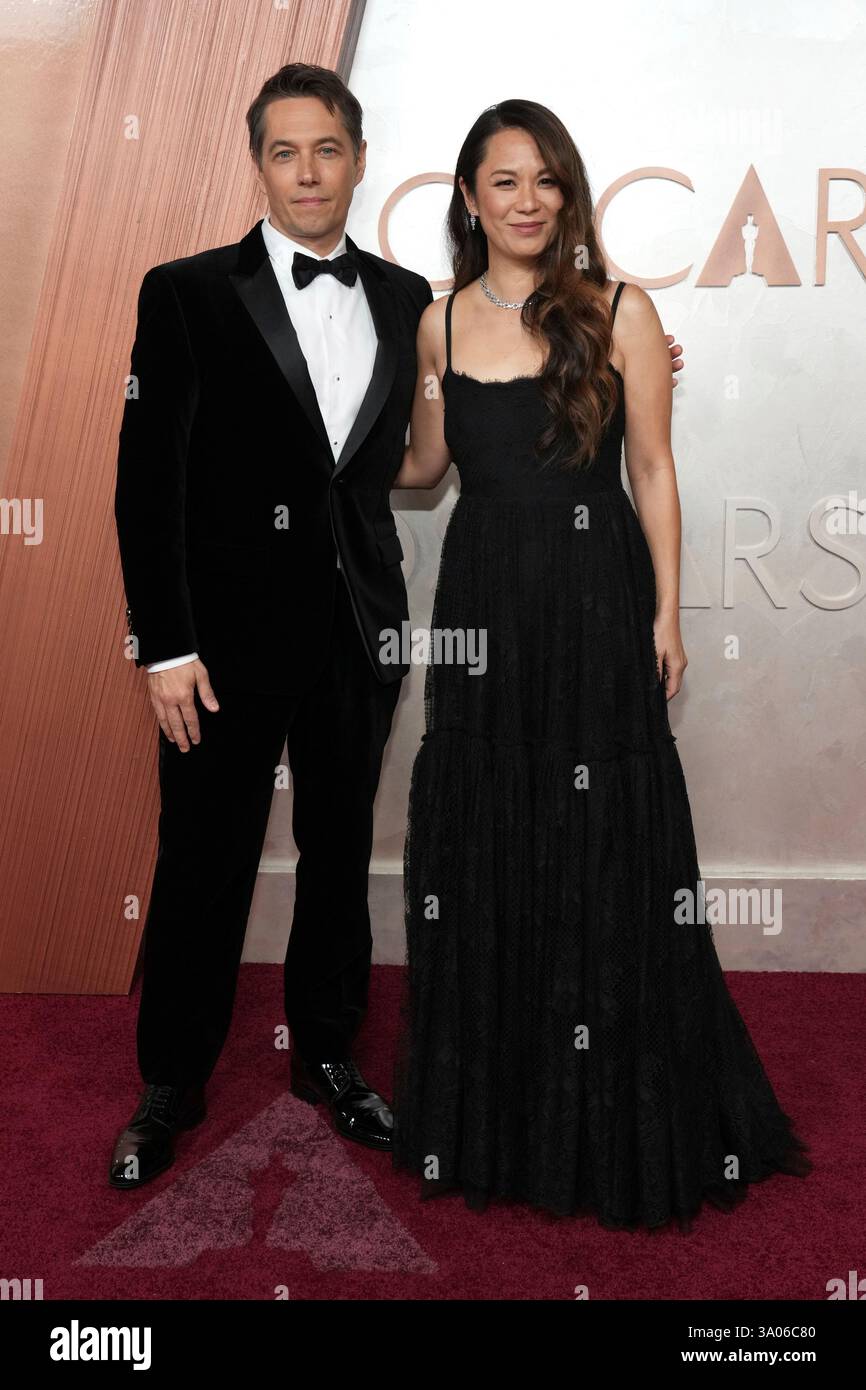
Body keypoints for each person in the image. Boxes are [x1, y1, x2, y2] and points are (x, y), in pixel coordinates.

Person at [111, 66, 683, 1191]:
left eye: (329, 149)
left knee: (338, 856)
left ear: (360, 160)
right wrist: (163, 643)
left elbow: (402, 467)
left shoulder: (398, 300)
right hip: (220, 646)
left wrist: (619, 386)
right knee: (204, 859)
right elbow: (146, 483)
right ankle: (169, 1084)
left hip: (356, 628)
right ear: (259, 164)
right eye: (286, 151)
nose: (310, 171)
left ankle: (326, 1056)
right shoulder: (182, 293)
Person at [390, 99, 811, 1231]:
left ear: (567, 198)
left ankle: (614, 1113)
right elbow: (423, 470)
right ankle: (507, 1114)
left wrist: (667, 611)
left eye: (546, 182)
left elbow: (654, 471)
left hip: (591, 601)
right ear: (468, 197)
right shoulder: (431, 326)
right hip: (484, 606)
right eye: (503, 180)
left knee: (597, 836)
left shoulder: (622, 311)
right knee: (492, 828)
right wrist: (323, 436)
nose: (526, 201)